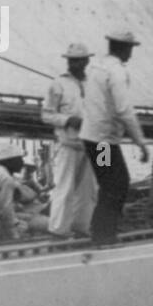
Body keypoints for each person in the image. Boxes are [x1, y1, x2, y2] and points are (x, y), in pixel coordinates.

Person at [80, 29, 151, 245]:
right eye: (130, 48)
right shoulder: (117, 72)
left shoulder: (95, 68)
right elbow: (124, 110)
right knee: (116, 184)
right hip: (103, 141)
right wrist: (141, 142)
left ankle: (100, 230)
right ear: (123, 48)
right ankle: (104, 234)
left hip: (93, 137)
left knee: (110, 183)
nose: (131, 53)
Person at [42, 43, 97, 237]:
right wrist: (68, 120)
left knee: (90, 189)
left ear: (87, 61)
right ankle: (58, 230)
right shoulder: (58, 84)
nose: (74, 64)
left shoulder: (95, 84)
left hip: (95, 145)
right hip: (68, 145)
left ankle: (82, 227)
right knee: (64, 188)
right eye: (71, 60)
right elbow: (46, 115)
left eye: (78, 60)